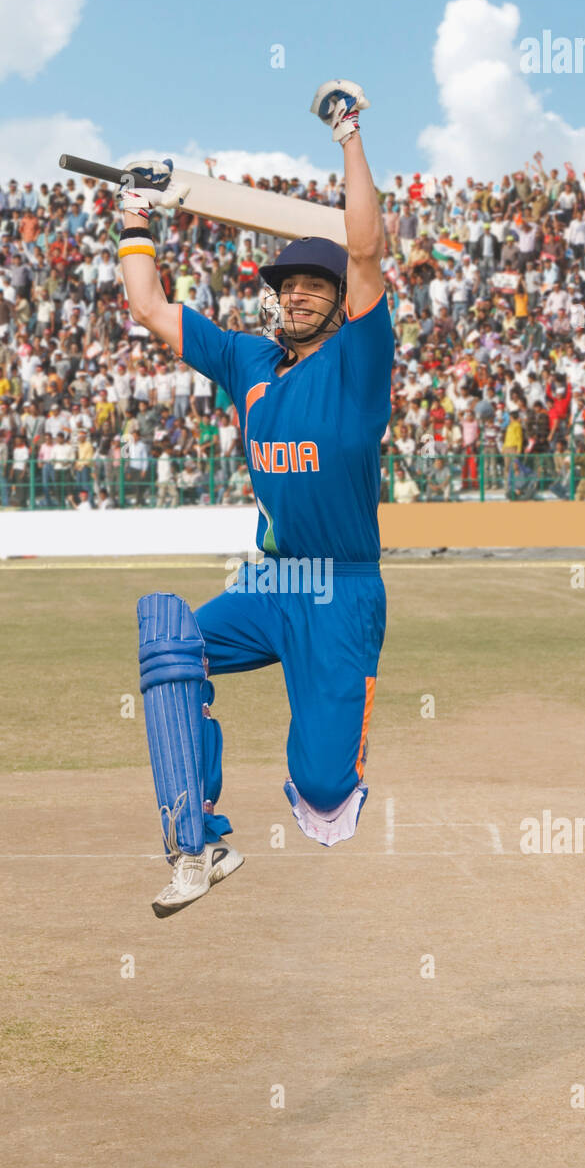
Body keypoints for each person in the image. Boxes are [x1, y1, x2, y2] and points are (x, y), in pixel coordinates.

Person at [117, 79, 392, 916]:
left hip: (343, 589)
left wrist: (346, 136)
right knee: (171, 645)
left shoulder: (358, 358)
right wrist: (133, 220)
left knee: (318, 790)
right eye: (287, 285)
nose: (297, 293)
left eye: (315, 283)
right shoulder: (249, 362)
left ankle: (331, 759)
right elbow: (150, 306)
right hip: (273, 583)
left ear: (339, 299)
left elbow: (370, 248)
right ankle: (196, 840)